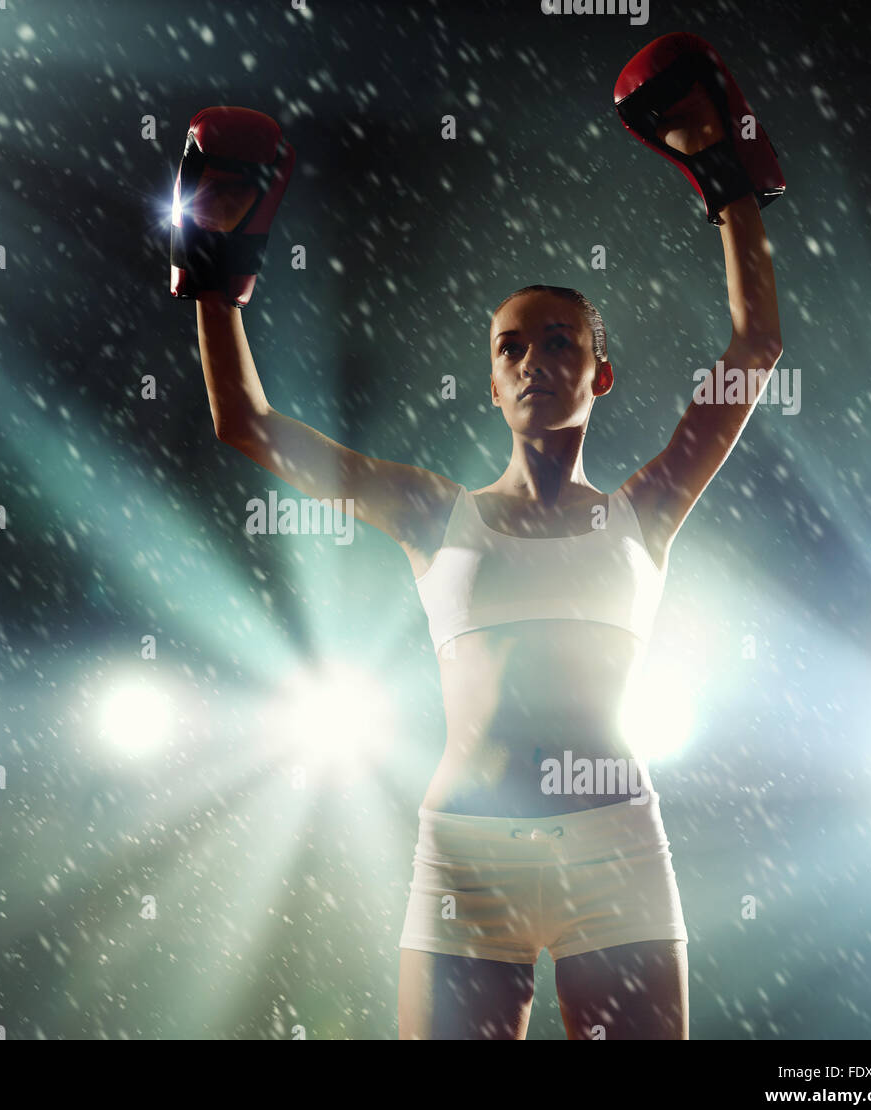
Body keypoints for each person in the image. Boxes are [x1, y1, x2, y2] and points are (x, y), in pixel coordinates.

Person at [173, 33, 784, 1039]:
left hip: (615, 844)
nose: (534, 359)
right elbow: (242, 419)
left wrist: (729, 175)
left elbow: (756, 344)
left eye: (560, 342)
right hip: (467, 846)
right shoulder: (428, 510)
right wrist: (213, 265)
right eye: (511, 346)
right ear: (491, 381)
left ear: (599, 373)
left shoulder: (650, 506)